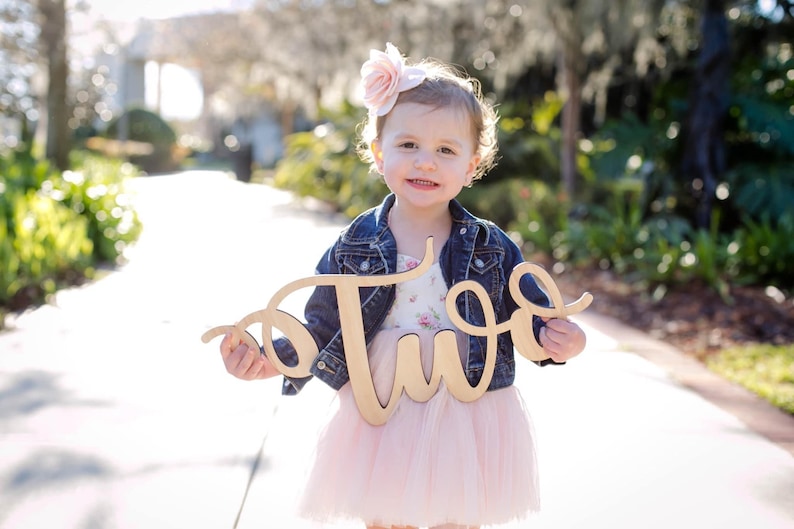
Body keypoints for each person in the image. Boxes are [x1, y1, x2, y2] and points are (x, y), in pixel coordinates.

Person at [219, 43, 587, 529]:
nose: (426, 162)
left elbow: (531, 315)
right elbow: (323, 326)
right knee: (388, 519)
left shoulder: (490, 247)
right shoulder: (355, 244)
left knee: (458, 516)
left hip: (465, 406)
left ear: (472, 165)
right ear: (378, 152)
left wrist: (560, 342)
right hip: (384, 404)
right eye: (409, 145)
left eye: (446, 150)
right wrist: (272, 360)